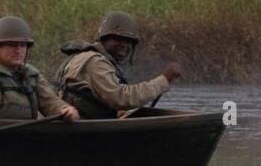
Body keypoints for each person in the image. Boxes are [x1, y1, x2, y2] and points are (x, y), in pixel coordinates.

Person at [54, 11, 182, 118]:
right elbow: (120, 98)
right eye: (118, 39)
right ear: (104, 39)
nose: (124, 45)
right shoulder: (94, 61)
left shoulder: (92, 58)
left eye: (129, 41)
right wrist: (164, 80)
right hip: (78, 132)